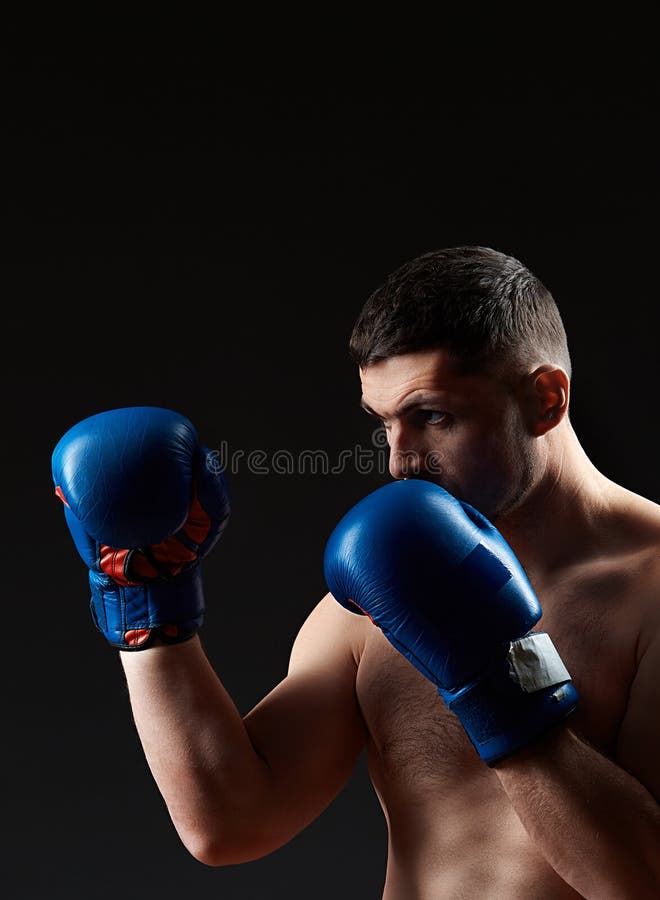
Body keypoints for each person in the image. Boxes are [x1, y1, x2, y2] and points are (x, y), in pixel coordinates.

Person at [52, 246, 660, 898]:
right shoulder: (379, 595)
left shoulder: (647, 595)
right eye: (384, 424)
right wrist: (147, 597)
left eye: (433, 417)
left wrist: (501, 683)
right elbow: (230, 823)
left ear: (545, 399)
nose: (401, 462)